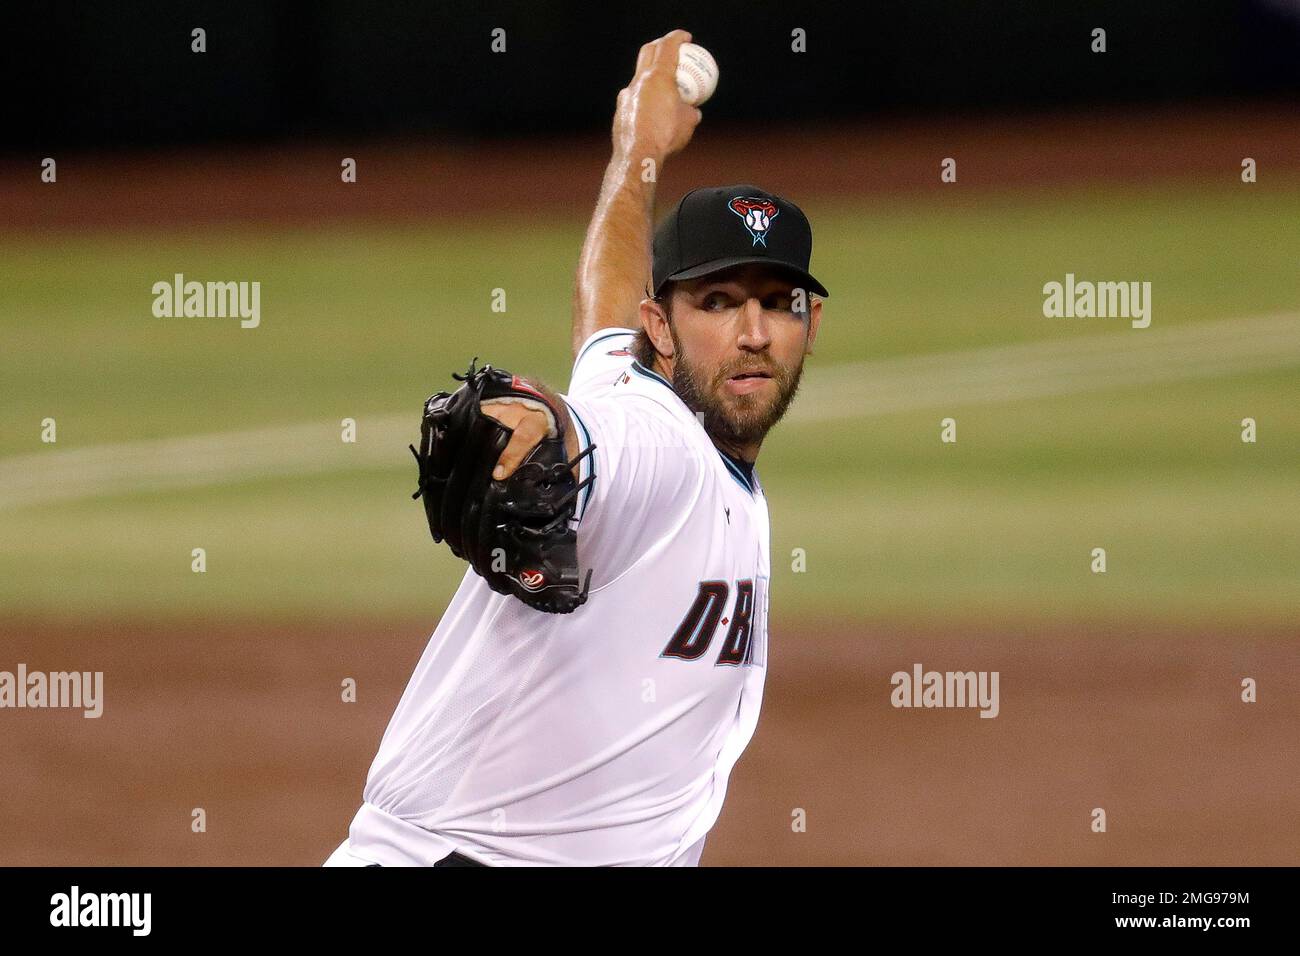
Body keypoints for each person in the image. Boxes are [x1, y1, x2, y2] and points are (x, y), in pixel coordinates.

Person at [325, 29, 827, 867]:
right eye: (719, 301)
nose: (752, 333)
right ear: (660, 327)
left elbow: (604, 312)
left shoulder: (656, 401)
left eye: (779, 303)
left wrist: (637, 151)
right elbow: (587, 442)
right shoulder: (659, 445)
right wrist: (529, 424)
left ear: (812, 326)